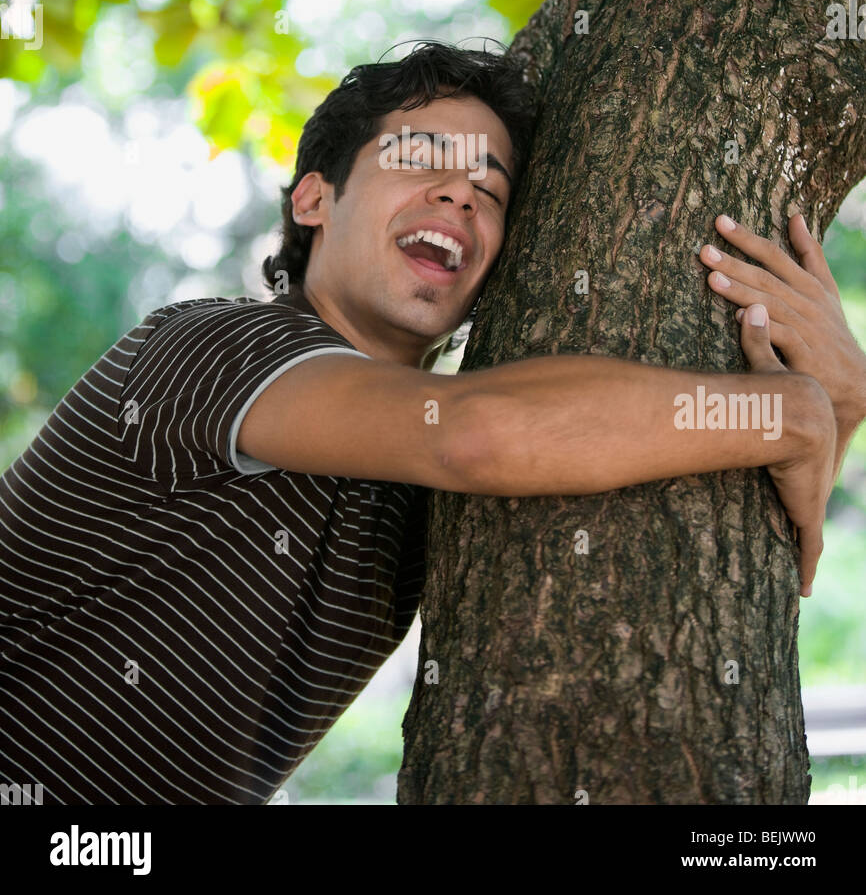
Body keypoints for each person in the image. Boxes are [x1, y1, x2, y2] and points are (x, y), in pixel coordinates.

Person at [0, 41, 862, 805]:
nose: (459, 191)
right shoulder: (209, 347)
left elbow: (750, 560)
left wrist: (845, 398)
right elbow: (472, 433)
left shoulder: (413, 485)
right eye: (418, 159)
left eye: (490, 190)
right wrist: (783, 410)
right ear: (313, 200)